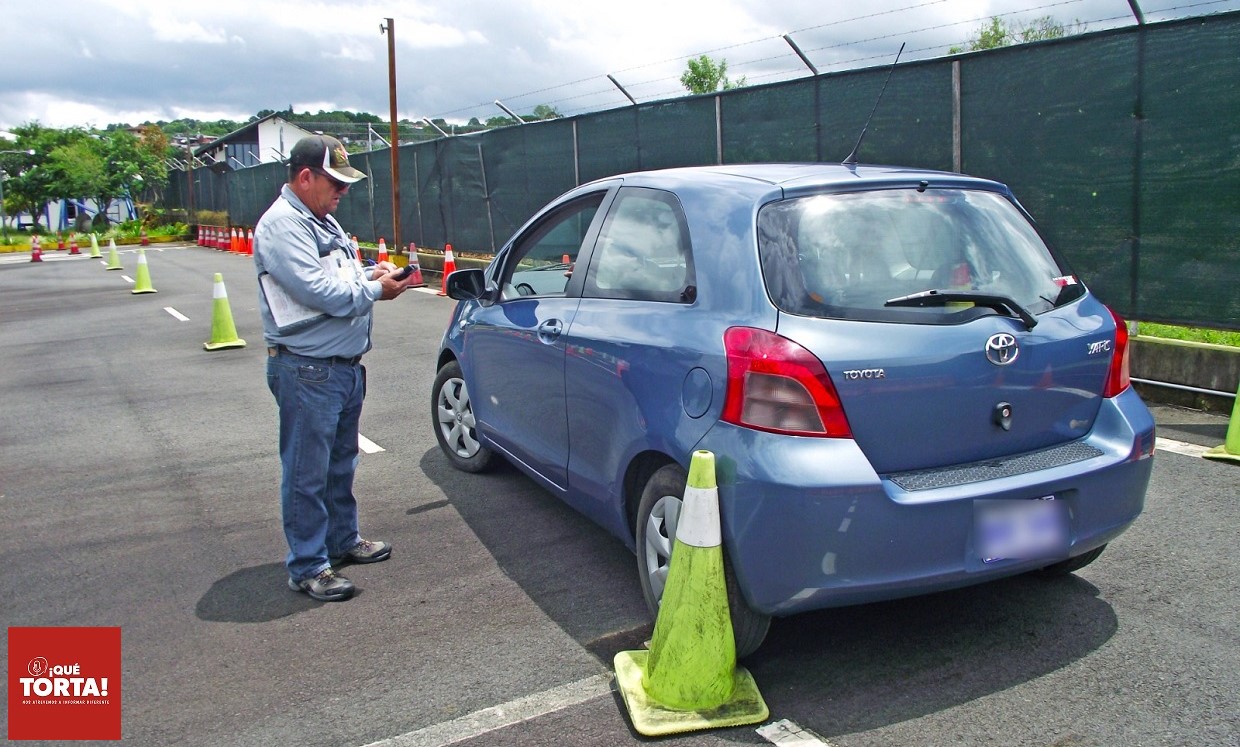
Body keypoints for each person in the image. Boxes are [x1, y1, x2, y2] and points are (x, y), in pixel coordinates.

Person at [253, 134, 412, 602]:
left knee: (340, 465)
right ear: (305, 177)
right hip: (307, 369)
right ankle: (308, 565)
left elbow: (340, 276)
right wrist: (376, 291)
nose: (342, 192)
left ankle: (341, 541)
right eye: (335, 182)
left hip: (338, 368)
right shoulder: (284, 225)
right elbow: (318, 291)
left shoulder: (319, 220)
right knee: (307, 471)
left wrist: (370, 275)